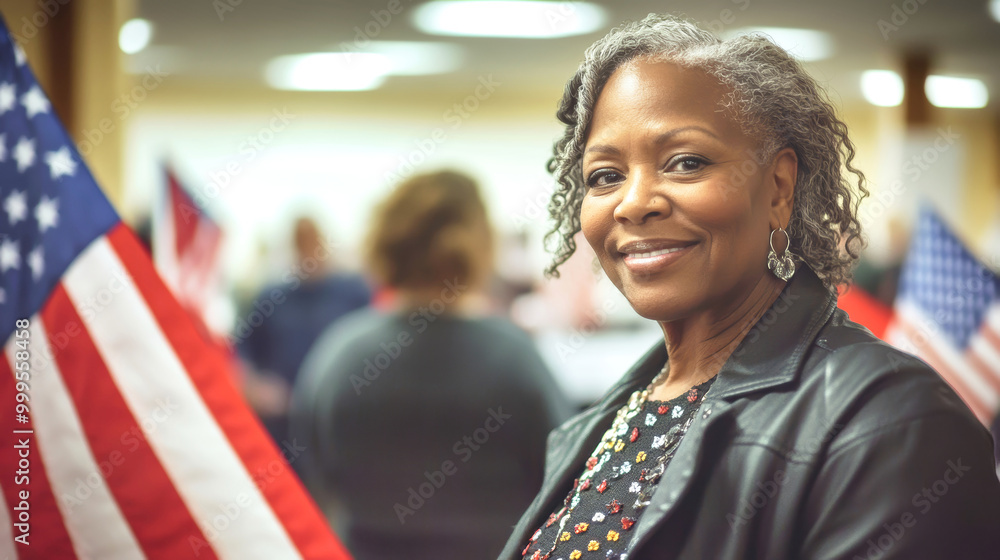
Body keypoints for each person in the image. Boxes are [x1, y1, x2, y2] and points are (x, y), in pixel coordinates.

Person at [503, 14, 1000, 560]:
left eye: (685, 163)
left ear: (778, 188)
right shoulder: (596, 426)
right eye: (605, 176)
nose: (633, 201)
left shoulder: (888, 422)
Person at [291, 170, 573, 559]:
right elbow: (565, 480)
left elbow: (313, 473)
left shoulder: (338, 355)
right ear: (478, 244)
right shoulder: (514, 358)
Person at [237, 216, 371, 444]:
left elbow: (374, 347)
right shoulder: (271, 296)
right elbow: (245, 355)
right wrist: (258, 388)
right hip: (283, 420)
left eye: (312, 242)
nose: (308, 251)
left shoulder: (353, 291)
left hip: (340, 416)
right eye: (301, 243)